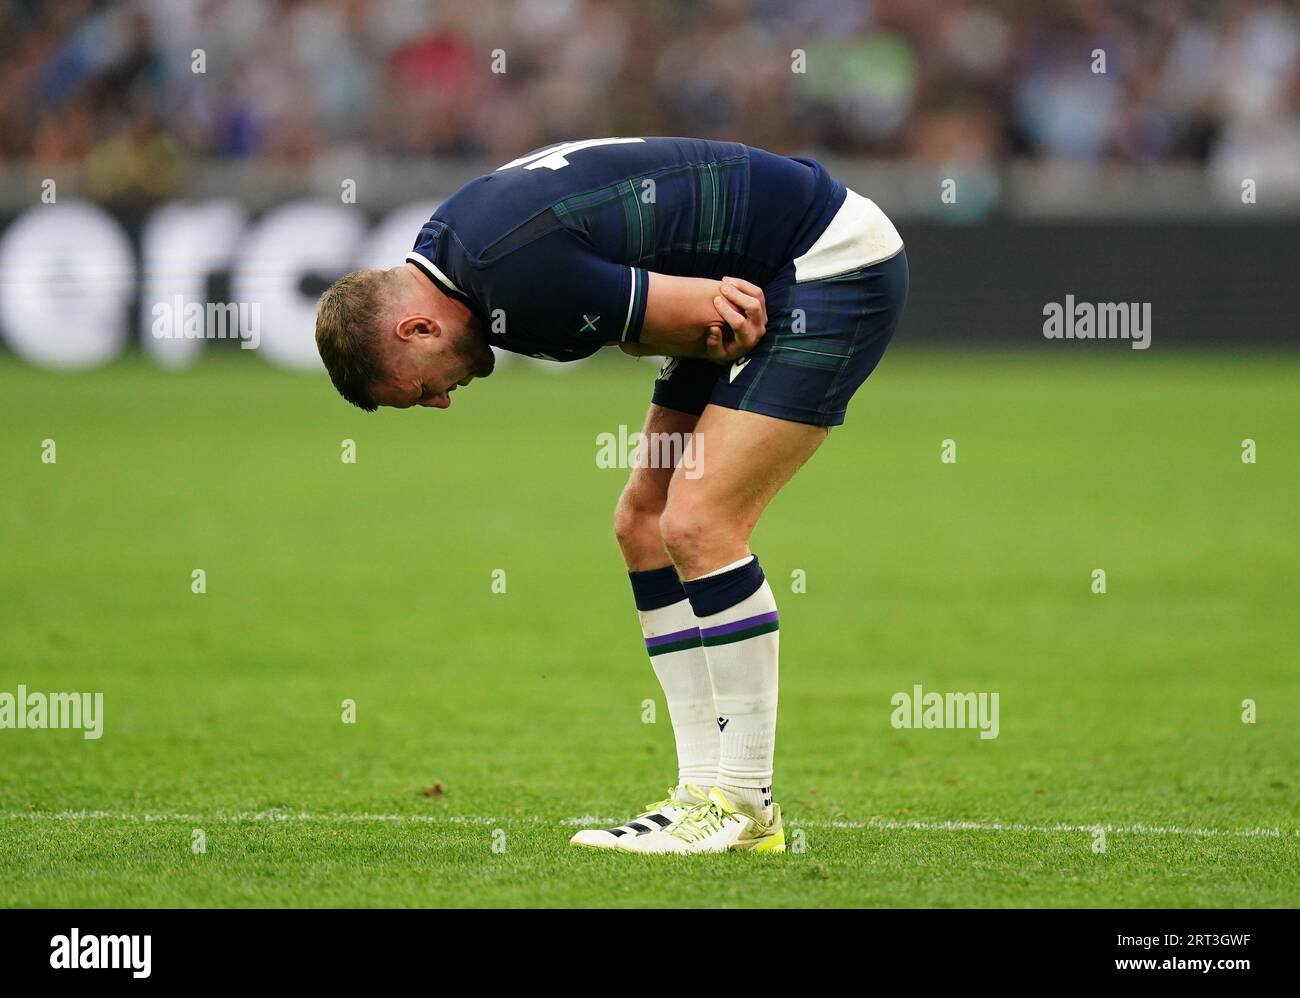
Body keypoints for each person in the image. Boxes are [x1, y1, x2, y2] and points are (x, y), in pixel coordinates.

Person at [315, 137, 908, 854]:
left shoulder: (514, 280)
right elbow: (685, 316)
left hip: (827, 264)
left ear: (417, 327)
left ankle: (746, 804)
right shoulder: (452, 247)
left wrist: (676, 329)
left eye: (420, 390)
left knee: (699, 522)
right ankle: (700, 793)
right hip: (754, 266)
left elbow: (721, 317)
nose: (439, 402)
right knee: (645, 524)